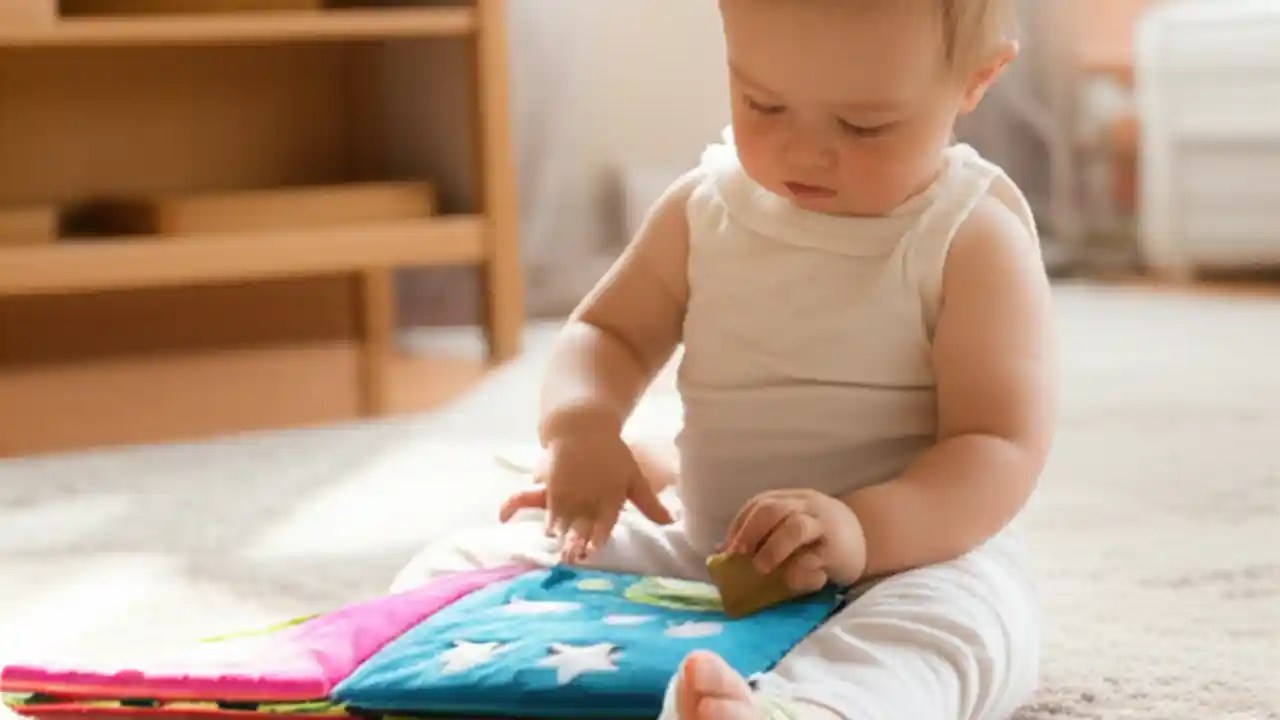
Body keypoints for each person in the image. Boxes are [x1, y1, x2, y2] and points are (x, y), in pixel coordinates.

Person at [396, 1, 1057, 718]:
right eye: (763, 104)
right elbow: (607, 333)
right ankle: (411, 664)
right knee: (468, 564)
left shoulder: (969, 236)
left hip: (905, 559)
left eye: (864, 126)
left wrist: (862, 531)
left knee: (962, 631)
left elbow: (996, 443)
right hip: (707, 548)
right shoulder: (705, 209)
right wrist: (581, 429)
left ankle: (804, 710)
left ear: (977, 79)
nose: (804, 152)